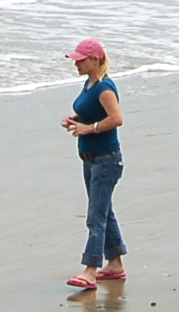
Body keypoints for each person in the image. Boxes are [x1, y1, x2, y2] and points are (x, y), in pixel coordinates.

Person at [60, 38, 127, 290]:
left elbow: (116, 118)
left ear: (95, 60)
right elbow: (93, 112)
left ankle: (90, 270)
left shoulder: (105, 87)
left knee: (95, 216)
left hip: (106, 159)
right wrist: (77, 118)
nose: (76, 63)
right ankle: (115, 263)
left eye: (80, 59)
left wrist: (89, 128)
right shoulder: (89, 85)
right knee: (104, 210)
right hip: (90, 160)